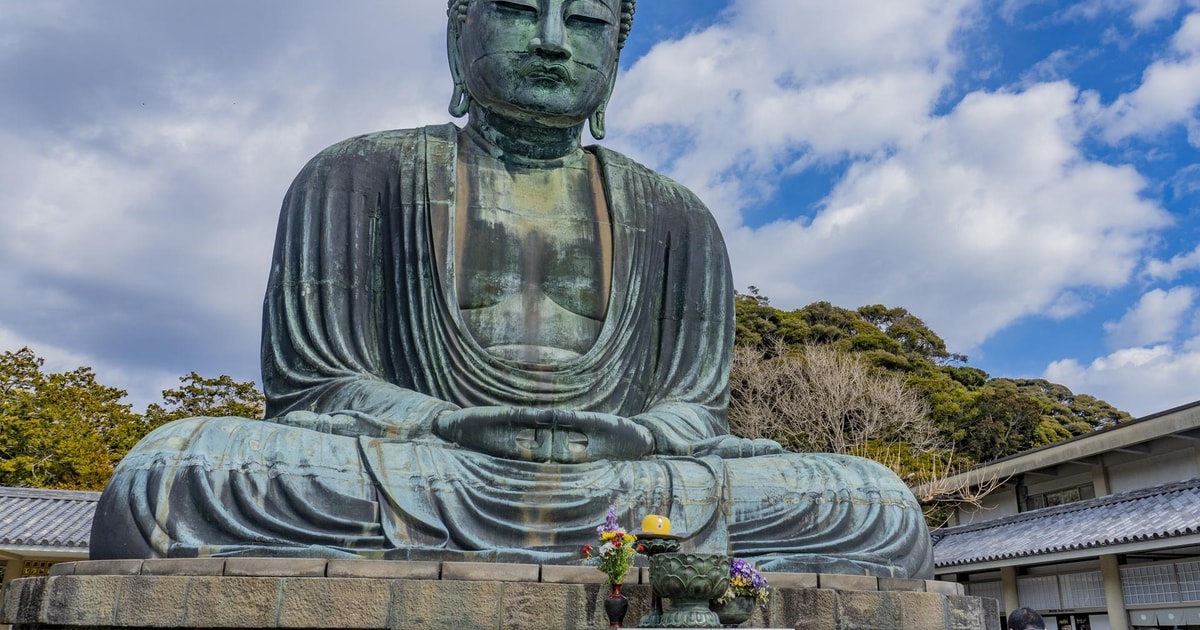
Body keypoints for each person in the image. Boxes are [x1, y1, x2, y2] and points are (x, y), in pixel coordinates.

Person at [90, 0, 934, 578]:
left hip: (629, 482)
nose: (554, 40)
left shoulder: (678, 217)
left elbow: (695, 411)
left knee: (876, 504)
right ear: (461, 29)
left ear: (618, 51)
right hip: (423, 464)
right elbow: (317, 384)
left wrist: (630, 439)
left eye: (587, 20)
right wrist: (446, 421)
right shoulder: (356, 175)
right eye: (522, 10)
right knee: (173, 473)